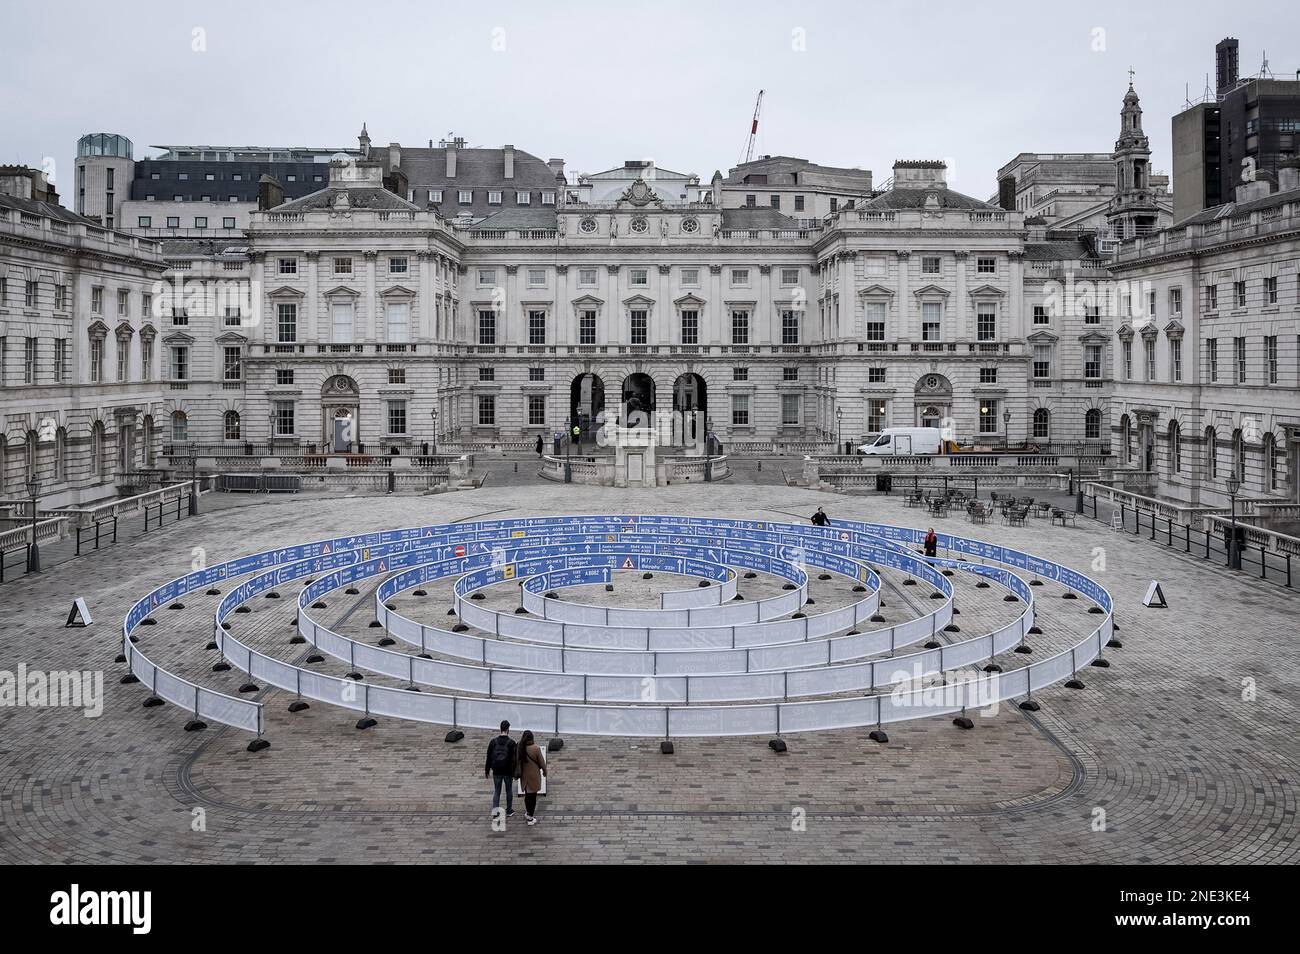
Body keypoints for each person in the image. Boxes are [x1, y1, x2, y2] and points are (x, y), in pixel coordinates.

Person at [484, 720, 517, 818]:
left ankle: (495, 812)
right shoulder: (511, 743)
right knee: (509, 790)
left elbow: (488, 756)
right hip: (508, 771)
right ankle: (509, 810)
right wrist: (515, 772)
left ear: (500, 728)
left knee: (497, 791)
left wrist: (487, 770)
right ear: (508, 729)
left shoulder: (493, 742)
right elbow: (514, 759)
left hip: (496, 771)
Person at [515, 729, 547, 826]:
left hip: (524, 776)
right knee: (532, 797)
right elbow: (542, 762)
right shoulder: (536, 748)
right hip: (534, 776)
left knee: (527, 796)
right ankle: (530, 817)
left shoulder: (520, 747)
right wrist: (545, 771)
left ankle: (528, 813)